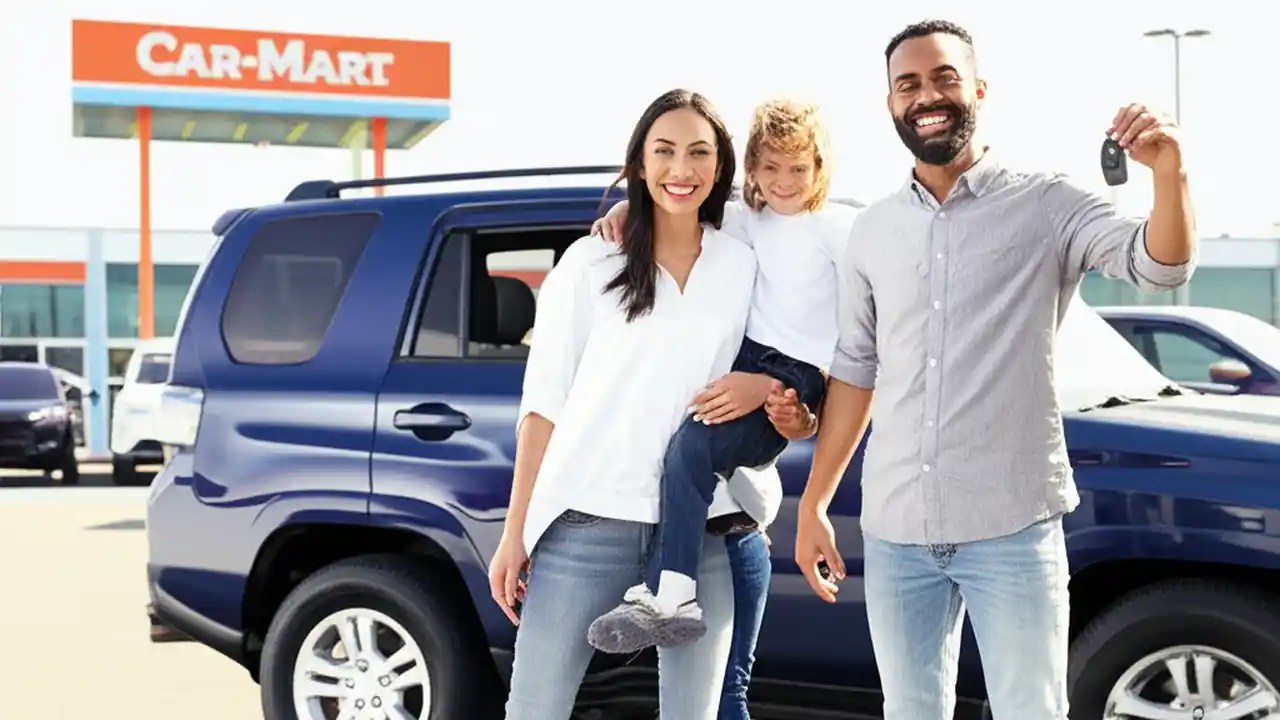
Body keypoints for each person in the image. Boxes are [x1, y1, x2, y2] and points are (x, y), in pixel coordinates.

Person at [793, 19, 1198, 720]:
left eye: (945, 77)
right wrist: (814, 501)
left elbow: (1158, 267)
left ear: (978, 89)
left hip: (1011, 526)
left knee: (1029, 710)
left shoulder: (1047, 204)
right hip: (895, 530)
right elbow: (856, 370)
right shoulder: (873, 230)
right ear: (891, 103)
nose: (927, 95)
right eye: (908, 84)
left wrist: (1170, 172)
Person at [489, 87, 810, 720]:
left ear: (720, 167)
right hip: (587, 527)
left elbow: (795, 369)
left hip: (705, 534)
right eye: (664, 152)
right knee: (534, 710)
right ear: (639, 162)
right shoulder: (590, 262)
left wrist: (780, 399)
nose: (681, 170)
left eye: (698, 153)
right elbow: (542, 405)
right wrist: (514, 532)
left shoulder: (747, 262)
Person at [587, 98, 854, 719]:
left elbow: (873, 320)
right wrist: (630, 207)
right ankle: (669, 591)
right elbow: (677, 214)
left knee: (691, 448)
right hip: (751, 366)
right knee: (689, 449)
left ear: (821, 169)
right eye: (771, 169)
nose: (785, 184)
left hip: (794, 375)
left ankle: (666, 593)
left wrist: (797, 396)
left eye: (800, 169)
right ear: (751, 171)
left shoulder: (837, 230)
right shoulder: (740, 222)